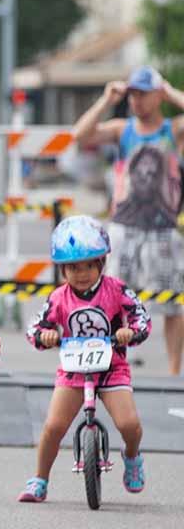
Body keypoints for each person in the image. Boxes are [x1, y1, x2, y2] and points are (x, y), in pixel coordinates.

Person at [18, 216, 149, 503]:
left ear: (101, 263)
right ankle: (40, 479)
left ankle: (132, 456)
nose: (82, 273)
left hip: (111, 367)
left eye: (89, 265)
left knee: (129, 424)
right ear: (62, 269)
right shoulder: (58, 298)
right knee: (53, 427)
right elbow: (34, 328)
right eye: (73, 267)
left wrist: (131, 332)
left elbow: (141, 316)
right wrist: (46, 335)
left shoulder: (116, 290)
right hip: (74, 369)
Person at [72, 66, 184, 376]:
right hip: (124, 227)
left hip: (162, 229)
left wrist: (169, 91)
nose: (136, 100)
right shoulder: (123, 129)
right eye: (132, 94)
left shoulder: (172, 130)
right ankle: (112, 363)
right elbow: (79, 135)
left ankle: (174, 370)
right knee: (112, 299)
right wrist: (106, 101)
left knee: (173, 305)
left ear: (156, 96)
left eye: (142, 94)